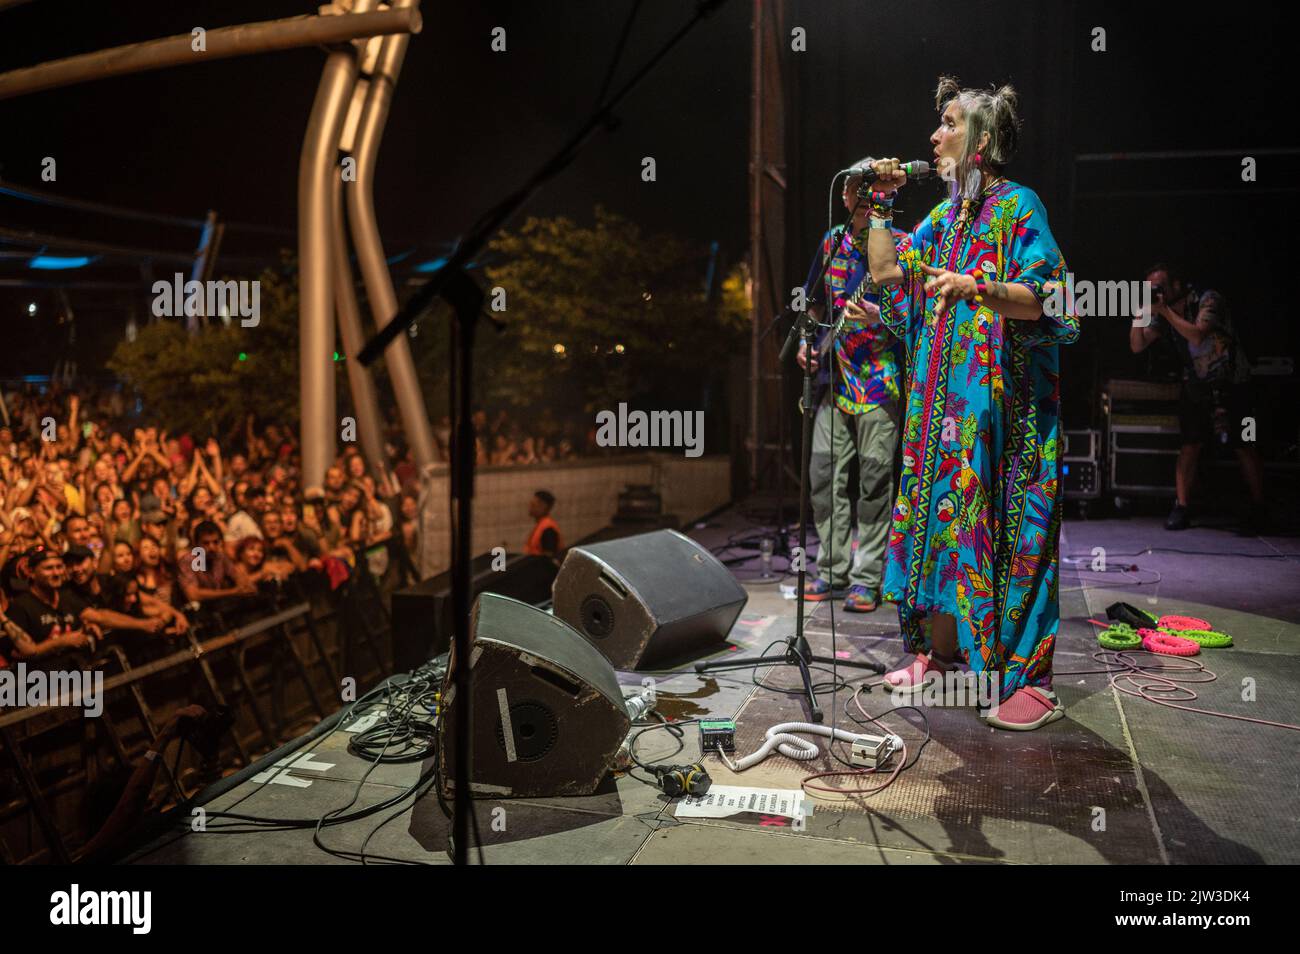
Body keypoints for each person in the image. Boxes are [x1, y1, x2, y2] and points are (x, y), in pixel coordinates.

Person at [865, 76, 1079, 731]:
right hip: (940, 416)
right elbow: (884, 273)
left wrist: (979, 285)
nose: (934, 135)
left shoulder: (1019, 208)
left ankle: (1028, 682)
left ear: (981, 139)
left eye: (949, 123)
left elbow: (1048, 297)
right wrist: (877, 207)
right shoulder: (942, 219)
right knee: (936, 526)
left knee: (1013, 538)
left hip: (1007, 421)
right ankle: (937, 654)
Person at [797, 164, 905, 612]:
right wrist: (807, 343)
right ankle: (832, 568)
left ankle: (867, 577)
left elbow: (916, 312)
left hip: (880, 384)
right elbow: (813, 303)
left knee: (875, 483)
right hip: (834, 382)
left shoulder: (900, 245)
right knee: (823, 477)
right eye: (855, 193)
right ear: (845, 199)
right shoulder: (831, 243)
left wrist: (880, 317)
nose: (862, 200)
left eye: (869, 194)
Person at [1129, 264, 1265, 533]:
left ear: (1176, 286)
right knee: (1189, 445)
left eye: (1159, 288)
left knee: (1245, 444)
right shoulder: (1160, 313)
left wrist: (1164, 311)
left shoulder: (1208, 299)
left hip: (1234, 383)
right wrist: (1139, 313)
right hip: (1197, 387)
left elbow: (1198, 335)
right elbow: (1137, 345)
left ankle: (1260, 506)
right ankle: (1182, 506)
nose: (1155, 293)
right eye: (1150, 289)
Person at [525, 490, 563, 559]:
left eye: (533, 505)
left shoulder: (548, 529)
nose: (529, 507)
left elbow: (548, 559)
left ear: (543, 507)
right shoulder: (541, 525)